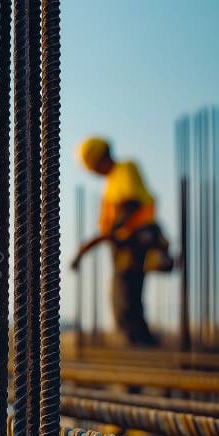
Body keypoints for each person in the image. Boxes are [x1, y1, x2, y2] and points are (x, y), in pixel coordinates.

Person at [71, 137, 173, 347]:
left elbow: (130, 206)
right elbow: (111, 226)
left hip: (134, 241)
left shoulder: (125, 169)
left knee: (127, 293)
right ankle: (138, 340)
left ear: (99, 159)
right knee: (126, 292)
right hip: (125, 243)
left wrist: (102, 238)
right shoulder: (111, 182)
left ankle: (140, 341)